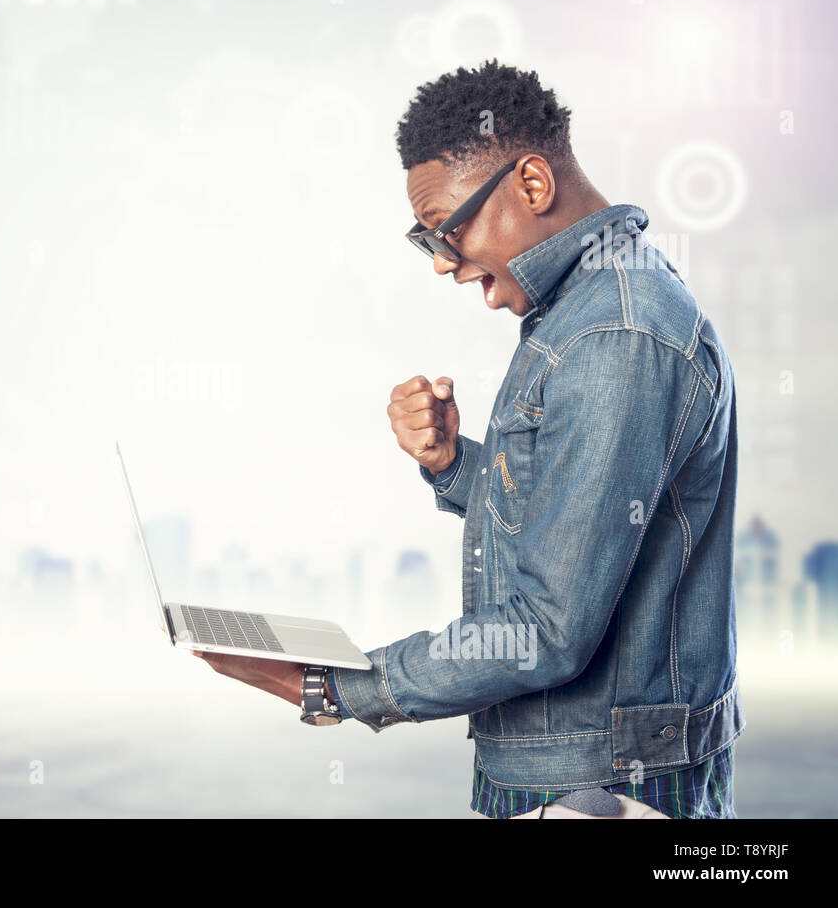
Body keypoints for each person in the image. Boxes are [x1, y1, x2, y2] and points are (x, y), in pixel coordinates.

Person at [194, 59, 743, 819]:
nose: (444, 264)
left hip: (599, 787)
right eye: (427, 240)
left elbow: (549, 630)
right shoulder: (583, 311)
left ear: (532, 185)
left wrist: (338, 687)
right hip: (566, 769)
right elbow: (576, 529)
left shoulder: (615, 331)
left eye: (447, 230)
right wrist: (456, 465)